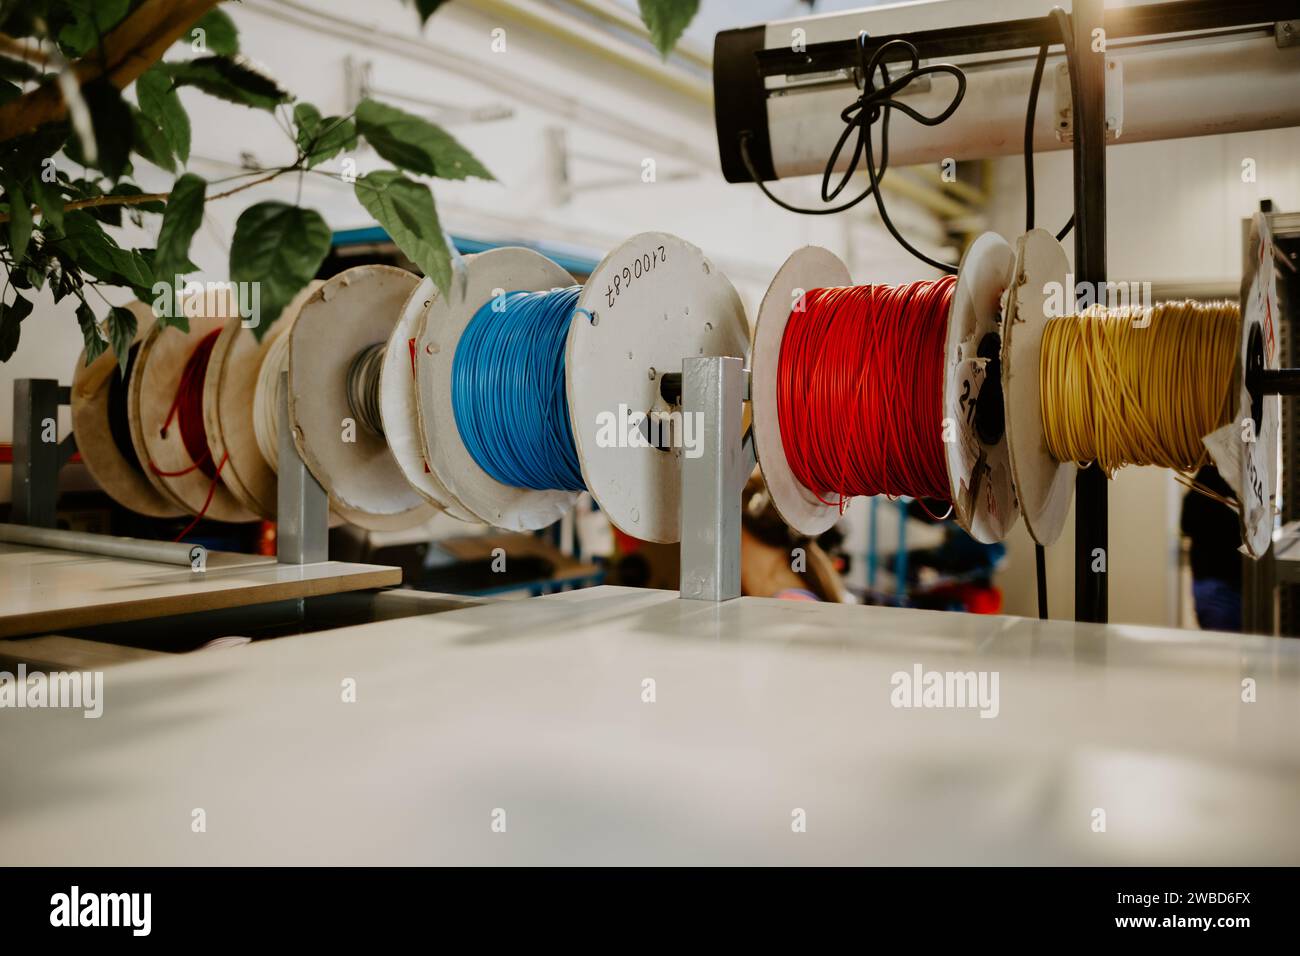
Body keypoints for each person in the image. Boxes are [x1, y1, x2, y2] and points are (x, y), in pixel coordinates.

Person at [1179, 465, 1242, 631]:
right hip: (1218, 586)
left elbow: (1186, 524)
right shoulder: (1215, 476)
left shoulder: (1206, 479)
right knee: (1225, 648)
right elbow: (1189, 523)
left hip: (1215, 584)